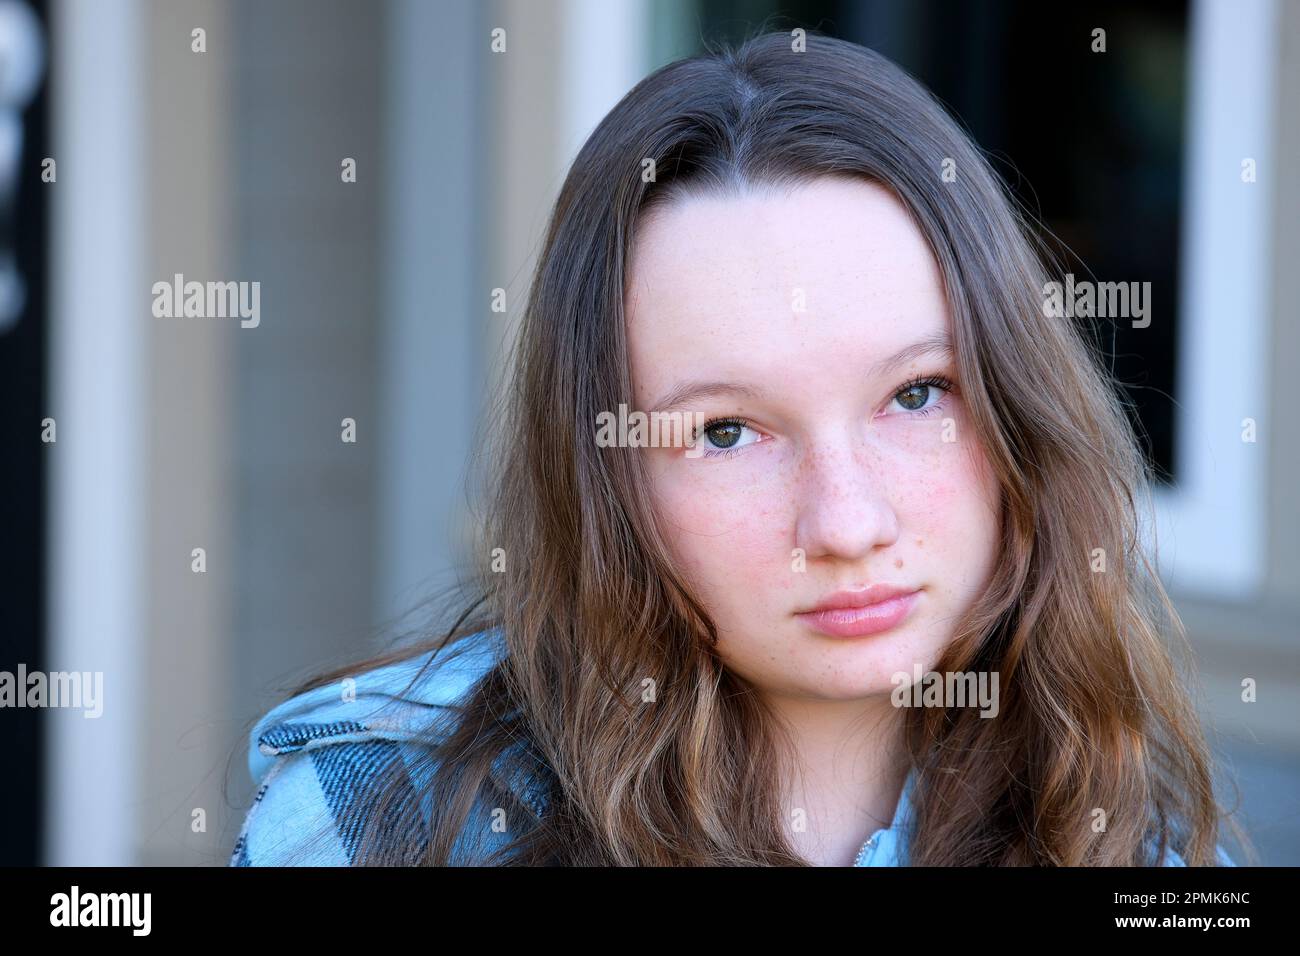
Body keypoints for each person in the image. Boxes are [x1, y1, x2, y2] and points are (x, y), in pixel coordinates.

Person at [230, 29, 1243, 867]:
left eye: (916, 393)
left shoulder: (1122, 840)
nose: (846, 522)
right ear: (606, 476)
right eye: (724, 431)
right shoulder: (385, 819)